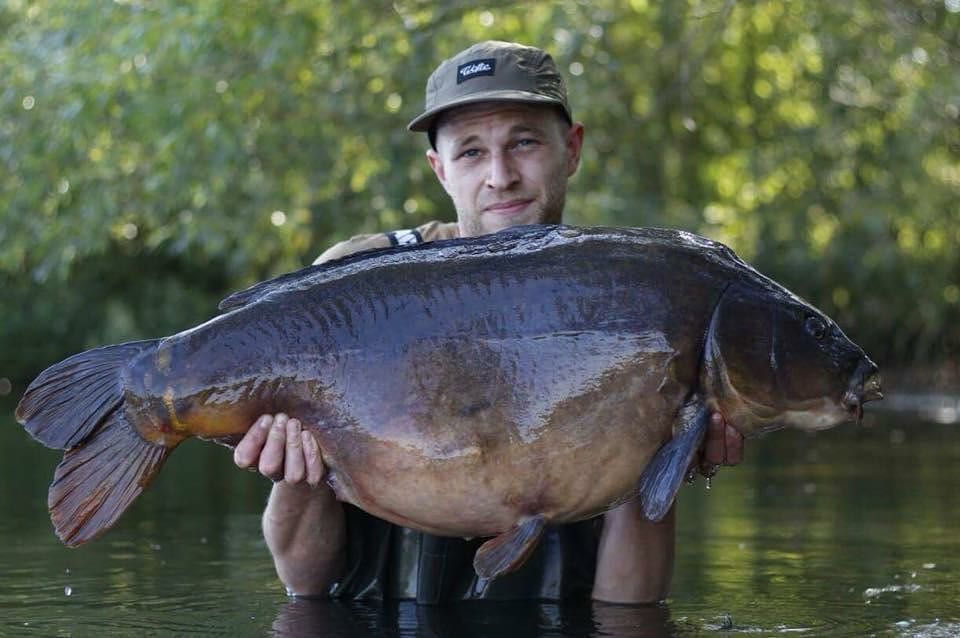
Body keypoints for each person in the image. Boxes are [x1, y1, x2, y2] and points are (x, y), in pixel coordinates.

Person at [234, 41, 744, 604]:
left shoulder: (624, 297)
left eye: (523, 143)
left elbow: (628, 614)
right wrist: (295, 469)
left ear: (570, 149)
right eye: (472, 152)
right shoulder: (357, 276)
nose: (501, 176)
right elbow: (302, 584)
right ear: (440, 169)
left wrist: (659, 452)